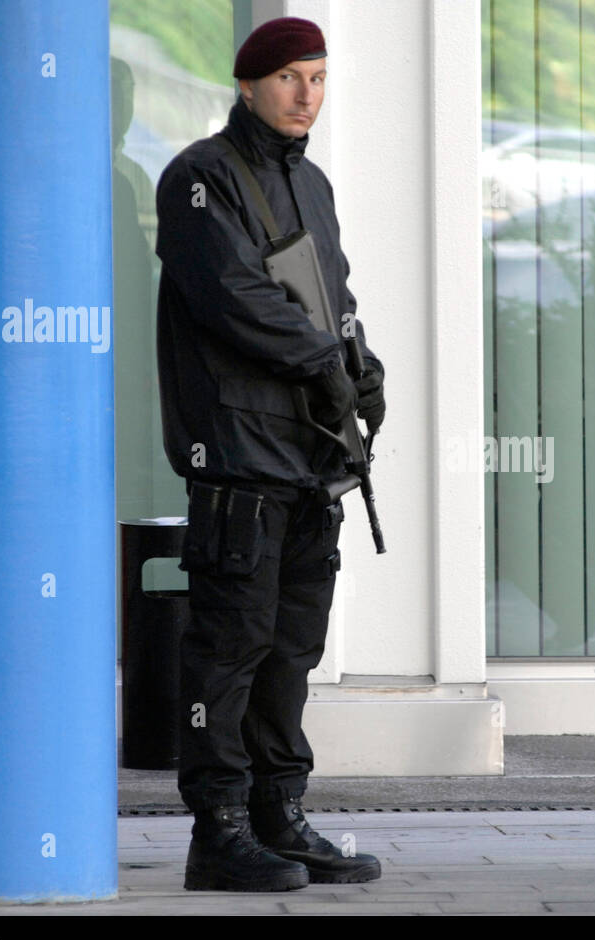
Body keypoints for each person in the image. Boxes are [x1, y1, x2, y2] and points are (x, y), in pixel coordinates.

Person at [155, 16, 386, 892]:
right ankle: (218, 830)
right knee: (230, 646)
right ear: (249, 84)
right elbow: (235, 299)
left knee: (292, 647)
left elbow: (335, 299)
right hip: (238, 454)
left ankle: (276, 816)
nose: (307, 95)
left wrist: (362, 369)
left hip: (310, 458)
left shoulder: (313, 185)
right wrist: (326, 358)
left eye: (319, 78)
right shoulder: (199, 179)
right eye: (291, 77)